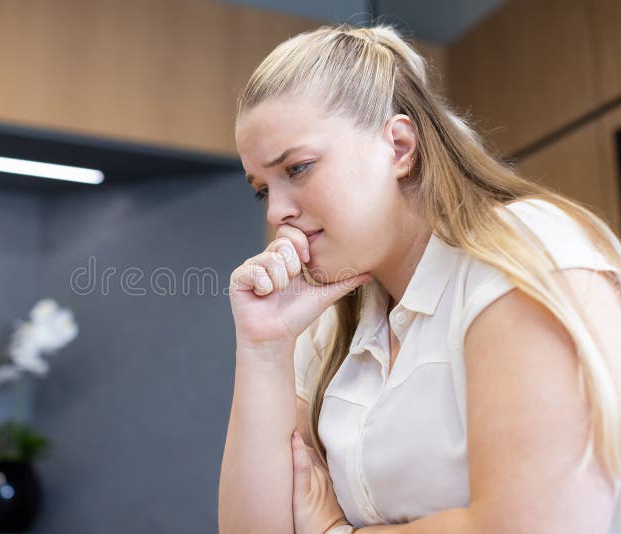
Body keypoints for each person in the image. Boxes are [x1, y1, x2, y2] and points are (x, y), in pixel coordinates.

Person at [218, 24, 621, 534]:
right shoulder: (333, 324)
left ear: (400, 146)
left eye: (297, 169)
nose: (276, 212)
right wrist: (263, 346)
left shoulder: (525, 251)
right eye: (261, 190)